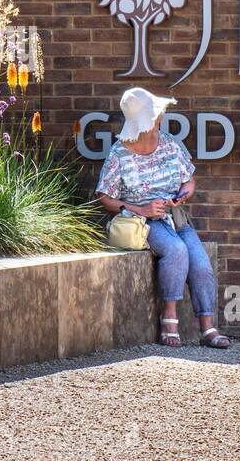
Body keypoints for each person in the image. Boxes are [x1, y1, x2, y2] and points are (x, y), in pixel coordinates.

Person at [95, 87, 228, 349]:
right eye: (156, 113)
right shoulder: (119, 154)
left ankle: (208, 328)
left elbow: (188, 180)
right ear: (145, 118)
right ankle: (169, 317)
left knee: (200, 263)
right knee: (177, 251)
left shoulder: (169, 142)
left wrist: (182, 195)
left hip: (176, 217)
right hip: (145, 223)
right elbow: (104, 198)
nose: (161, 116)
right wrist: (141, 209)